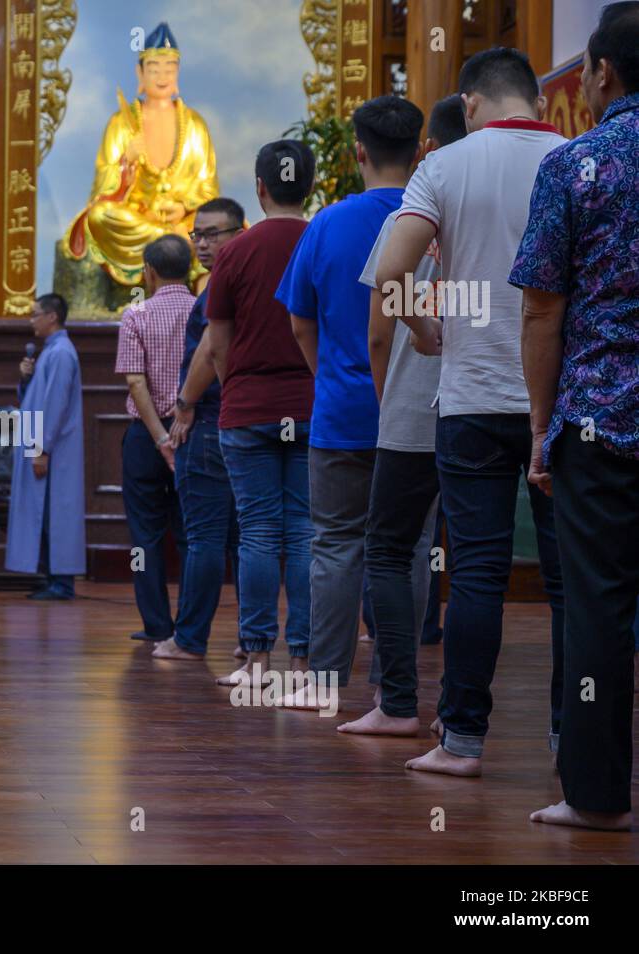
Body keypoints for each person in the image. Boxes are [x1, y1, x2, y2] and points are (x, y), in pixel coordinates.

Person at [375, 47, 566, 776]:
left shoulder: (446, 166)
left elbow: (393, 276)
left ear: (471, 103)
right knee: (570, 578)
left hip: (472, 400)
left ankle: (460, 741)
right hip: (562, 401)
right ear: (539, 103)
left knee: (478, 570)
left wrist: (429, 333)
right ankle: (568, 738)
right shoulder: (578, 158)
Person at [513, 2, 639, 829]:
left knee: (597, 607)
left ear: (600, 74)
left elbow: (542, 313)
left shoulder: (576, 164)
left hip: (599, 420)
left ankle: (596, 797)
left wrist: (539, 425)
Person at [276, 95, 425, 706]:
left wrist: (332, 377)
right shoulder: (432, 218)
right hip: (417, 413)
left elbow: (300, 322)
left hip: (340, 412)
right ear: (420, 151)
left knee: (335, 543)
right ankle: (396, 682)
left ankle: (323, 680)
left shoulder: (329, 224)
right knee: (413, 546)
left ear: (357, 150)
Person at [336, 94, 466, 736]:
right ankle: (463, 721)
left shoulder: (415, 213)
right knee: (471, 558)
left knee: (388, 549)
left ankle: (396, 703)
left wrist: (388, 402)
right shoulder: (515, 208)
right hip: (492, 402)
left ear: (430, 151)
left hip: (414, 407)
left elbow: (381, 330)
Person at [205, 140, 315, 685]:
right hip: (312, 407)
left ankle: (256, 661)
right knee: (303, 530)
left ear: (260, 189)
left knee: (257, 533)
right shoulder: (323, 236)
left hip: (248, 408)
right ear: (310, 186)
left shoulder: (234, 252)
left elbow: (218, 342)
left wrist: (236, 390)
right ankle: (301, 662)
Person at [162, 197, 247, 660]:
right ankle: (250, 639)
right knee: (246, 537)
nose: (203, 244)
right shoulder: (236, 283)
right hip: (244, 423)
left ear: (240, 232)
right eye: (197, 235)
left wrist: (184, 404)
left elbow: (211, 350)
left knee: (206, 536)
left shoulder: (220, 289)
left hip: (212, 419)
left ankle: (189, 638)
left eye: (214, 234)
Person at [114, 234, 197, 645]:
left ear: (148, 271)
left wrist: (160, 436)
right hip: (195, 431)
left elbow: (134, 380)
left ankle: (157, 625)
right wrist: (183, 424)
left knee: (145, 535)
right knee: (193, 532)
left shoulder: (136, 315)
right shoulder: (205, 311)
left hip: (147, 437)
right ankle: (190, 629)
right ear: (191, 268)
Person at [5, 293, 85, 600]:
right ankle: (52, 576)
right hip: (46, 444)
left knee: (55, 512)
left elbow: (54, 406)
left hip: (54, 449)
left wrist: (41, 448)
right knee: (47, 511)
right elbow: (37, 398)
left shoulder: (62, 353)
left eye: (35, 313)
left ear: (52, 317)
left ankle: (61, 582)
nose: (31, 319)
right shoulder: (51, 352)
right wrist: (25, 379)